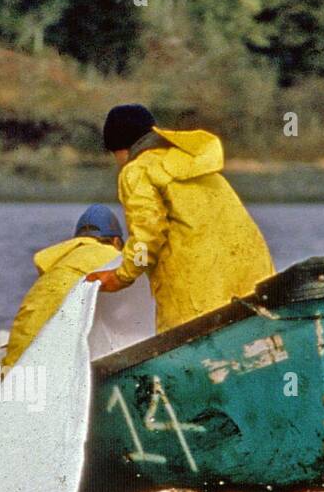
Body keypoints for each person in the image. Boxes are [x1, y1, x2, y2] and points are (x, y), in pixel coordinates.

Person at [85, 104, 275, 333]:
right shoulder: (194, 162)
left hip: (199, 292)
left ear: (119, 148)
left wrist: (123, 276)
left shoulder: (136, 170)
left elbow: (148, 234)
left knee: (184, 343)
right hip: (254, 276)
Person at [1, 205, 125, 369]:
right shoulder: (113, 258)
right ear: (116, 241)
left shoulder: (58, 263)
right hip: (54, 370)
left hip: (13, 367)